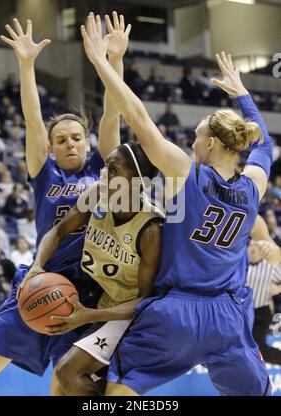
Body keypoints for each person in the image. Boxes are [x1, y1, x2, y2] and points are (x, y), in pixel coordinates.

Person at [81, 14, 272, 396]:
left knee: (120, 393)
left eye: (197, 137)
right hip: (228, 316)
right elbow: (263, 144)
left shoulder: (190, 175)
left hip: (176, 311)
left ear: (213, 144)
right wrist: (241, 94)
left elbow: (138, 117)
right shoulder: (253, 187)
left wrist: (101, 62)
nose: (192, 142)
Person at [0, 15, 128, 396]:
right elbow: (32, 119)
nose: (69, 144)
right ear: (51, 147)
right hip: (38, 282)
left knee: (67, 386)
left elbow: (112, 112)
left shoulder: (104, 168)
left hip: (87, 294)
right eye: (60, 139)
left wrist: (114, 61)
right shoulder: (44, 174)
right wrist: (26, 65)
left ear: (88, 141)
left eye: (77, 137)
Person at [22, 139, 163, 396]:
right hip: (102, 302)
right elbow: (58, 231)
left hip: (131, 316)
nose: (105, 176)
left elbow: (145, 299)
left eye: (114, 172)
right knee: (61, 387)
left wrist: (87, 315)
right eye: (106, 168)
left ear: (135, 183)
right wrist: (37, 265)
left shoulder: (151, 229)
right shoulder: (97, 194)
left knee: (67, 372)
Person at [247, 240, 281, 365]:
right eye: (251, 246)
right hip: (240, 312)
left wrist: (278, 288)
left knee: (260, 349)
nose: (253, 249)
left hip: (261, 311)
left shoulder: (270, 267)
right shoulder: (240, 265)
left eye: (257, 247)